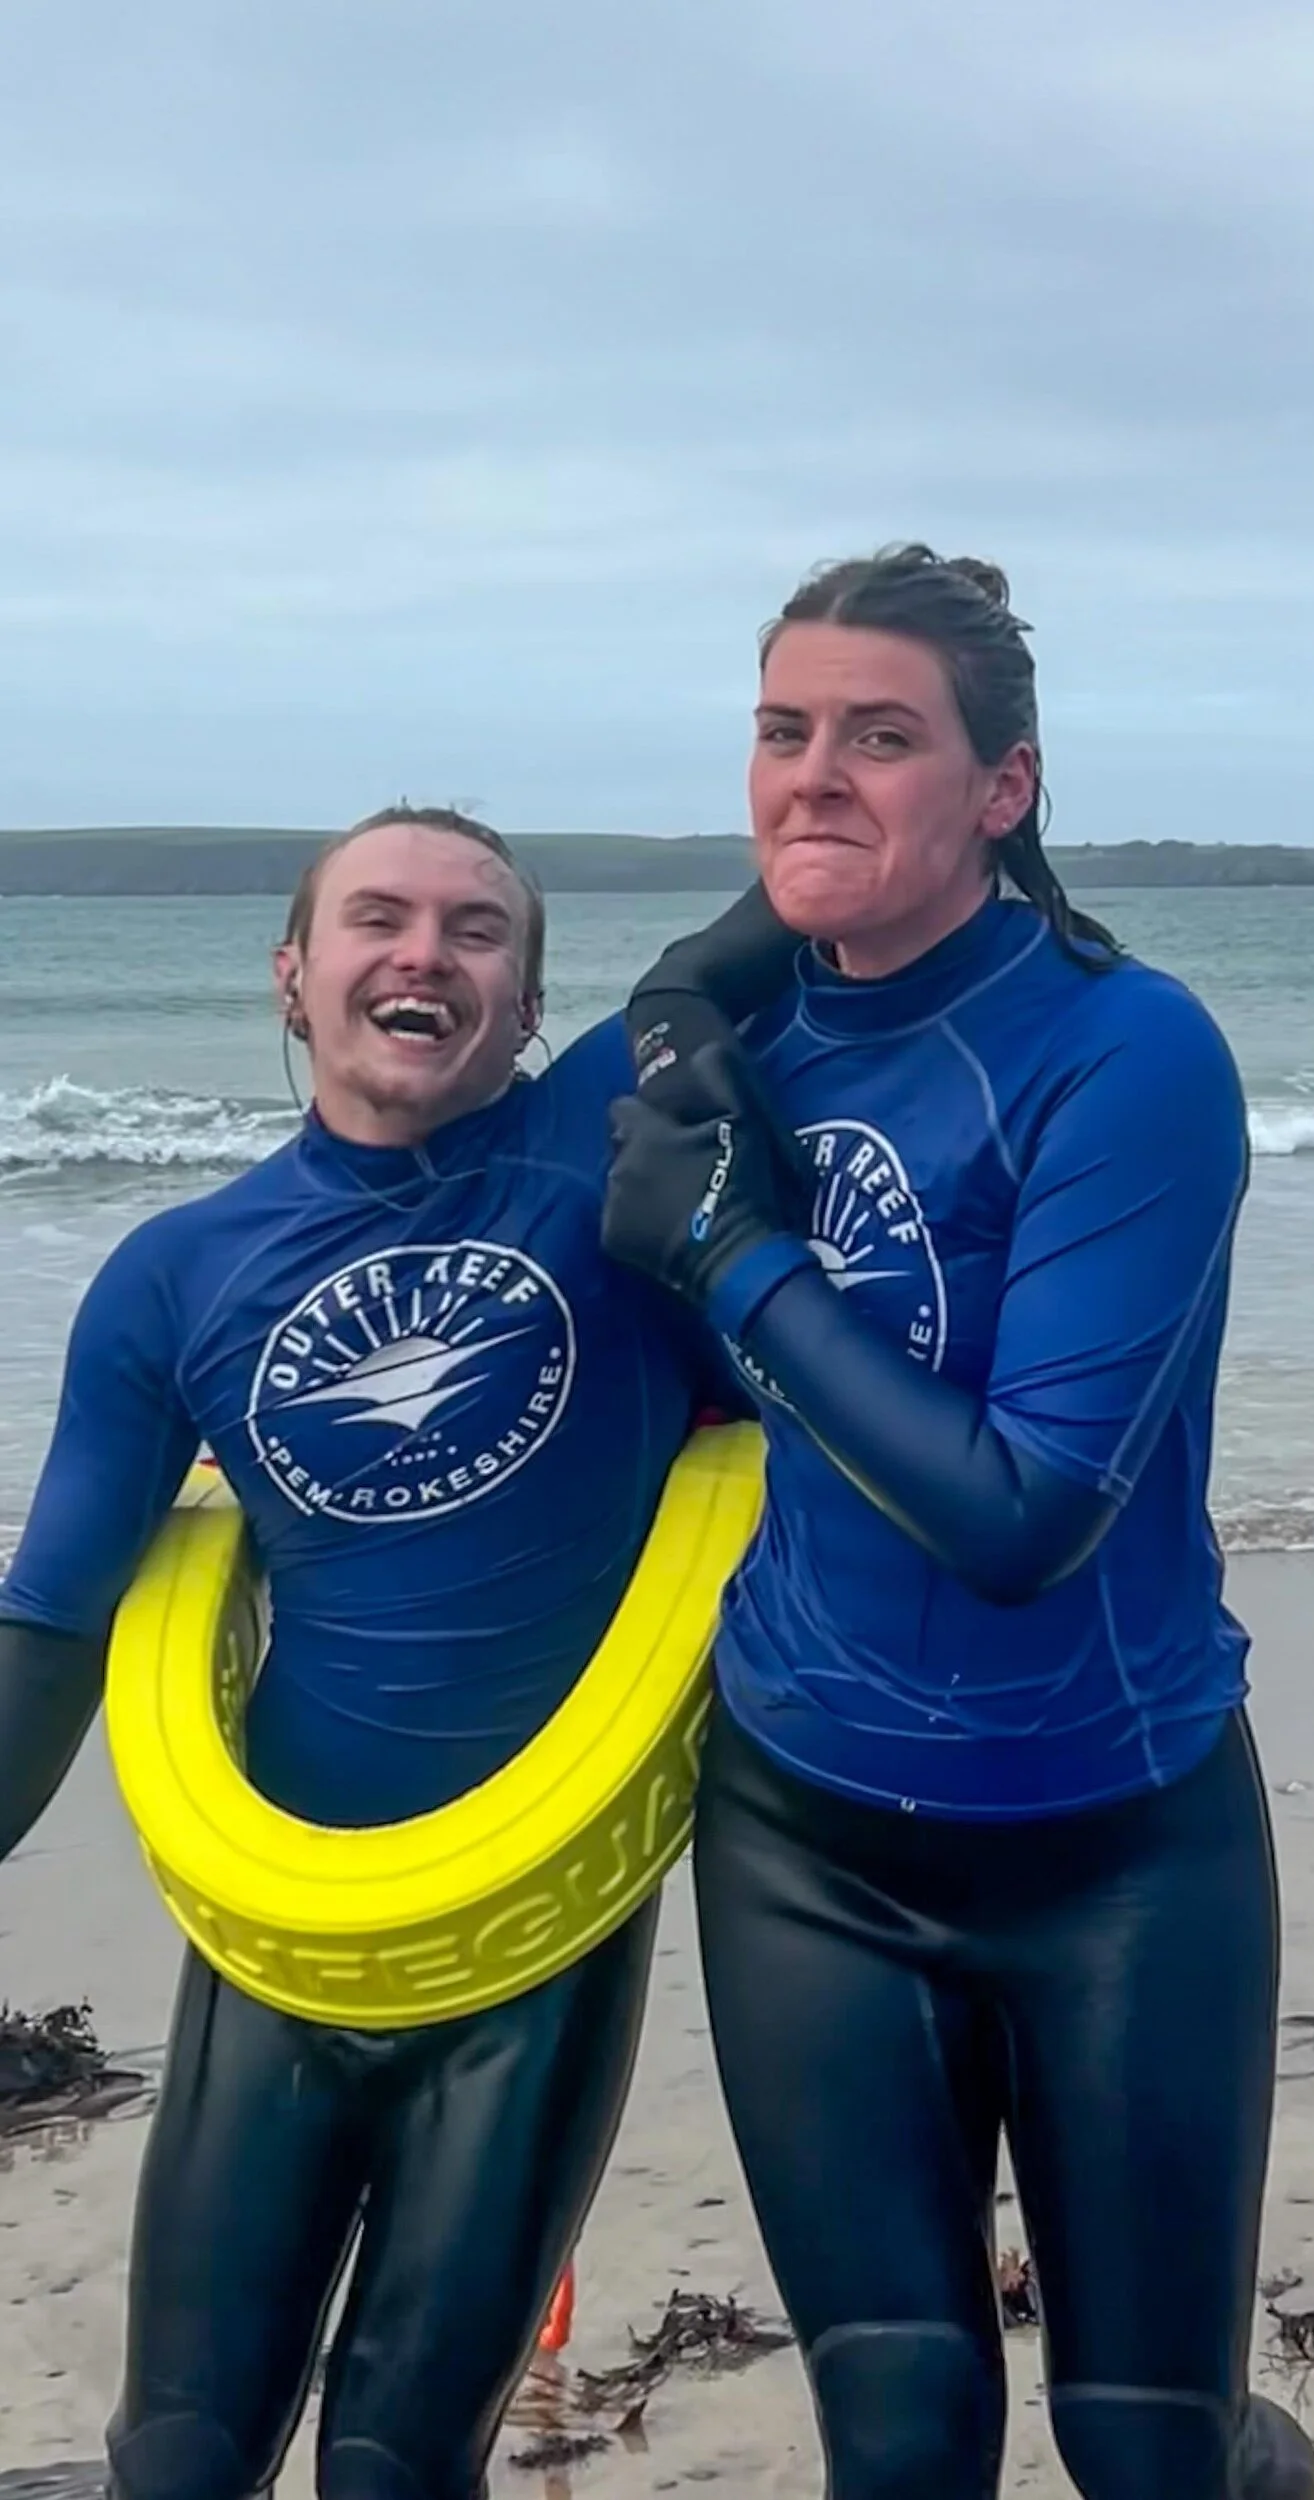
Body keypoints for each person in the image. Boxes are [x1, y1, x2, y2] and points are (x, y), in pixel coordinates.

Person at [601, 546, 1314, 2500]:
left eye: (880, 735)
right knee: (903, 2433)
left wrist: (739, 1258)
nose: (815, 772)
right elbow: (488, 1268)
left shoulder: (1127, 1052)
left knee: (1147, 2446)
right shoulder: (719, 1048)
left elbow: (1025, 1512)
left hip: (1117, 1842)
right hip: (801, 1832)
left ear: (1001, 785)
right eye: (783, 730)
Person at [0, 809, 725, 2500]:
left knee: (400, 2460)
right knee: (177, 2456)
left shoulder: (599, 1176)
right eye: (376, 918)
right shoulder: (172, 1277)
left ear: (535, 1007)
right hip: (283, 1949)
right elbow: (52, 1619)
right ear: (291, 976)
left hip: (531, 1947)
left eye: (478, 931)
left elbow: (796, 926)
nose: (423, 952)